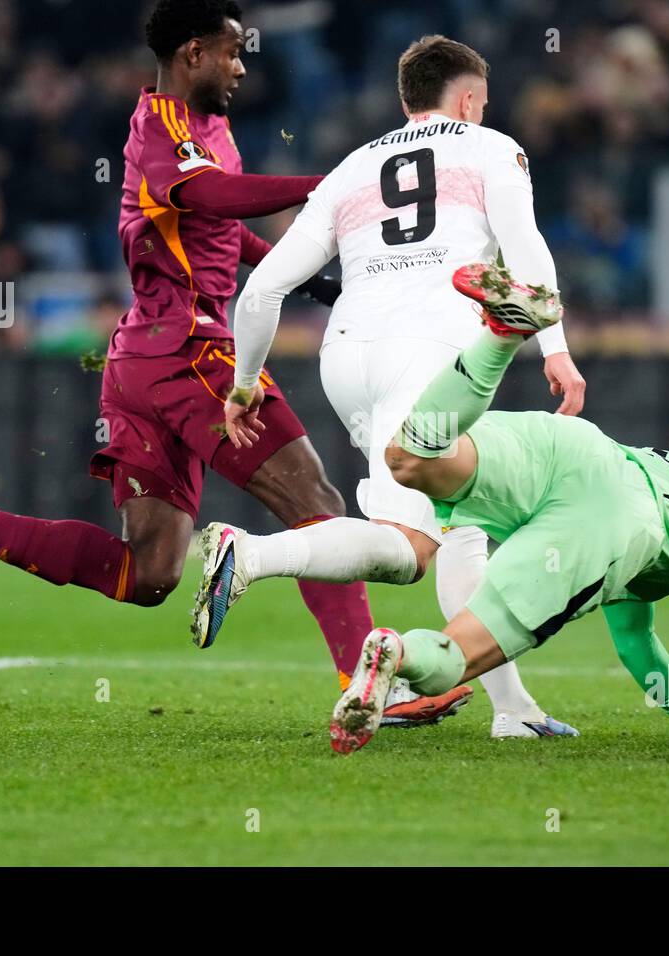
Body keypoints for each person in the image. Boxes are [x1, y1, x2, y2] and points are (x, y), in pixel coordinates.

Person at [0, 0, 469, 725]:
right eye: (232, 52)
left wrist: (312, 281)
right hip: (193, 356)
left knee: (148, 574)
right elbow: (214, 195)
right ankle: (373, 684)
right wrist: (332, 184)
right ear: (192, 54)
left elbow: (222, 229)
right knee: (317, 506)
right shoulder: (160, 127)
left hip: (142, 364)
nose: (242, 67)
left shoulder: (209, 129)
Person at [194, 35, 588, 738]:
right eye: (484, 101)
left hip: (345, 355)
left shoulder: (351, 168)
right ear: (469, 100)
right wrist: (554, 347)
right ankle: (249, 554)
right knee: (409, 548)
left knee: (466, 519)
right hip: (431, 352)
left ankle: (514, 711)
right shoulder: (492, 146)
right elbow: (526, 247)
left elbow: (265, 291)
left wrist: (246, 381)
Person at [315, 262, 669, 753]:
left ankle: (497, 337)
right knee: (454, 658)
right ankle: (396, 652)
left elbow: (634, 637)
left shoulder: (661, 462)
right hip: (611, 518)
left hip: (578, 448)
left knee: (411, 458)